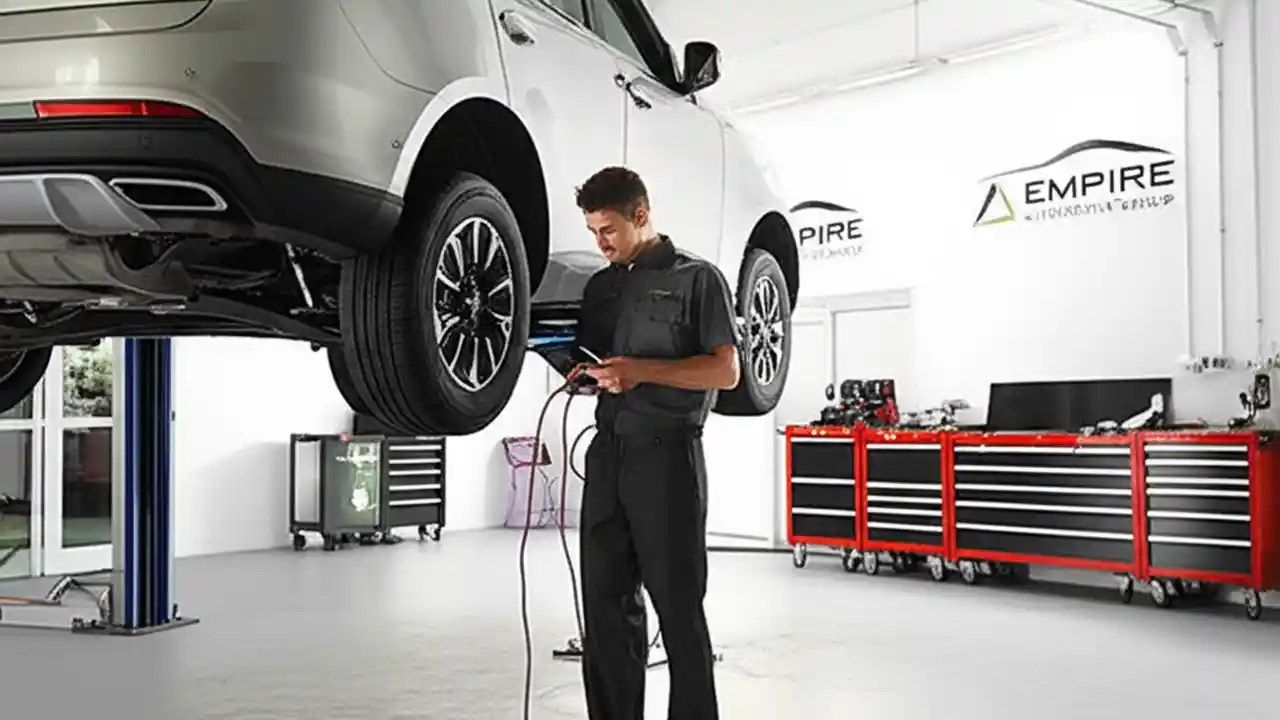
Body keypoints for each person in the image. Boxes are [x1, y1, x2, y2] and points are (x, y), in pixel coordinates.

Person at [573, 166, 740, 720]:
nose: (600, 243)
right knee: (603, 603)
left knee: (678, 608)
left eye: (609, 230)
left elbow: (726, 372)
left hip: (666, 457)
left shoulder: (698, 279)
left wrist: (641, 372)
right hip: (607, 456)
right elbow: (598, 359)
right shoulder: (601, 287)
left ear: (641, 215)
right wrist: (583, 373)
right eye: (593, 231)